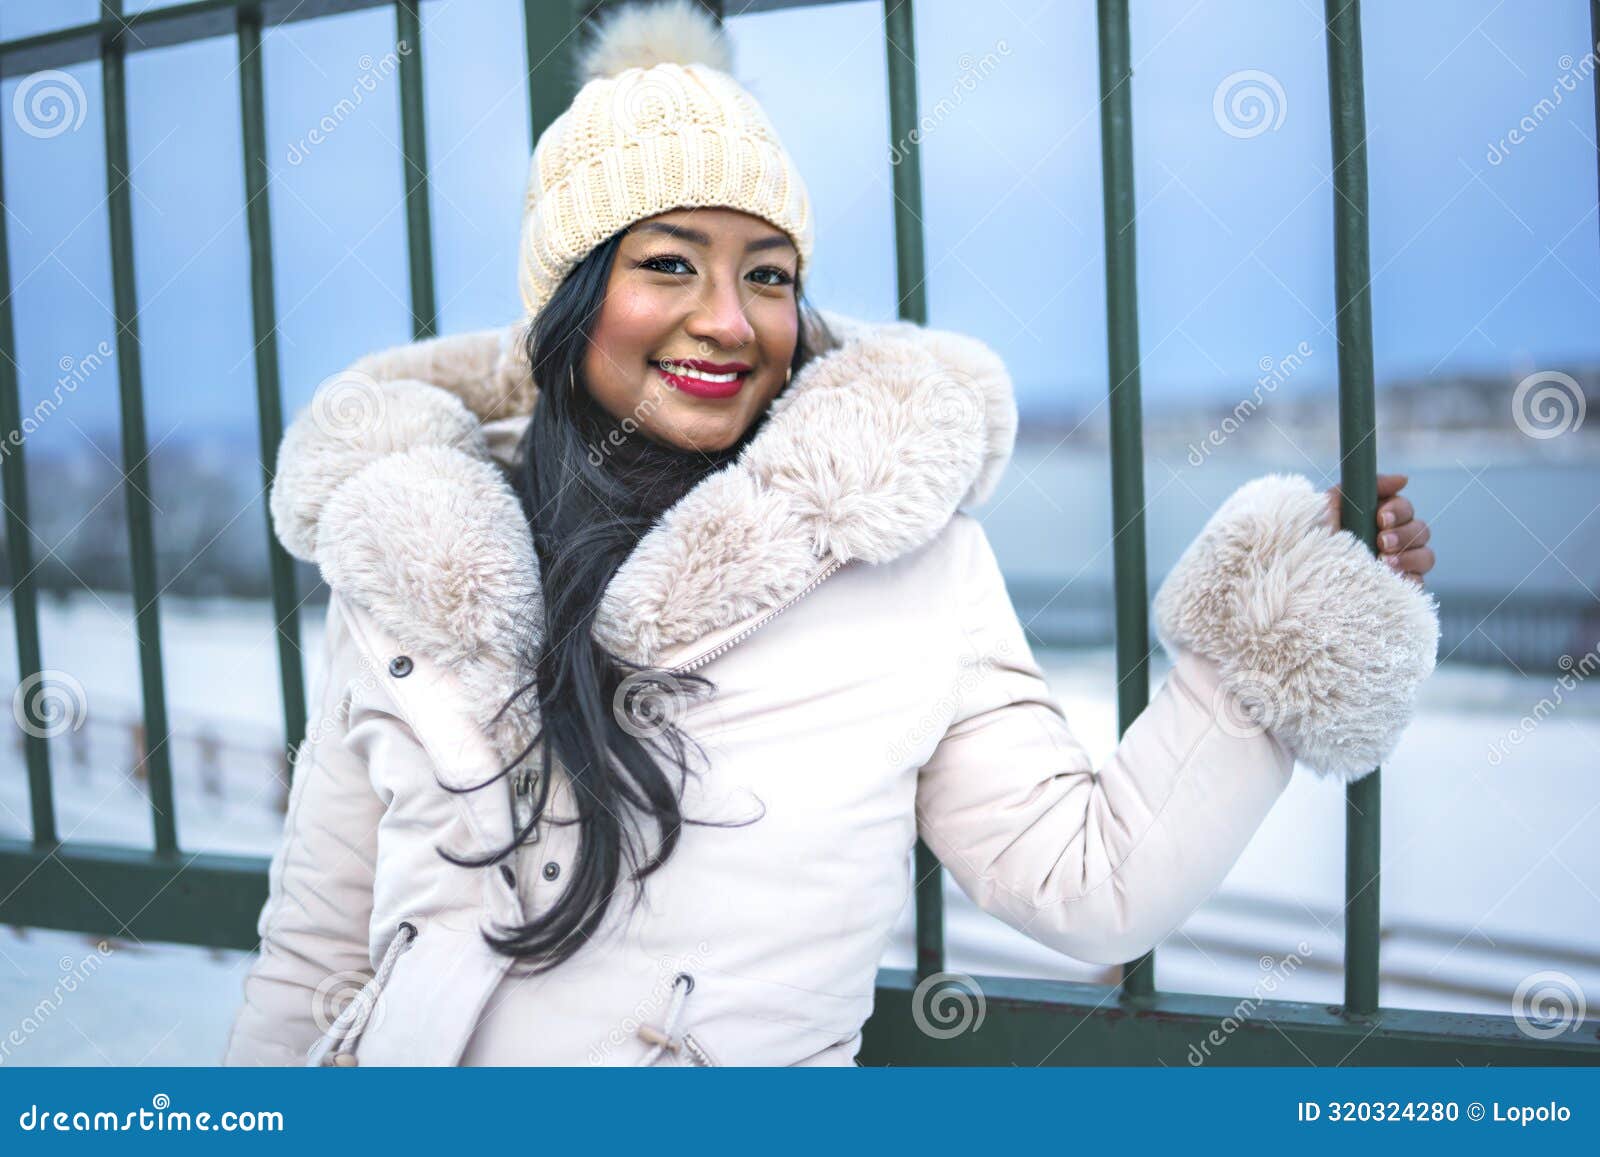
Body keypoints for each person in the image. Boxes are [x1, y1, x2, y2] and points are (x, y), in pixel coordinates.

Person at [222, 0, 1439, 1068]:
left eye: (767, 274)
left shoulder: (906, 555)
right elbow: (318, 944)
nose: (727, 320)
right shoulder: (413, 543)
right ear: (571, 296)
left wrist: (1279, 631)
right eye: (668, 264)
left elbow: (1088, 881)